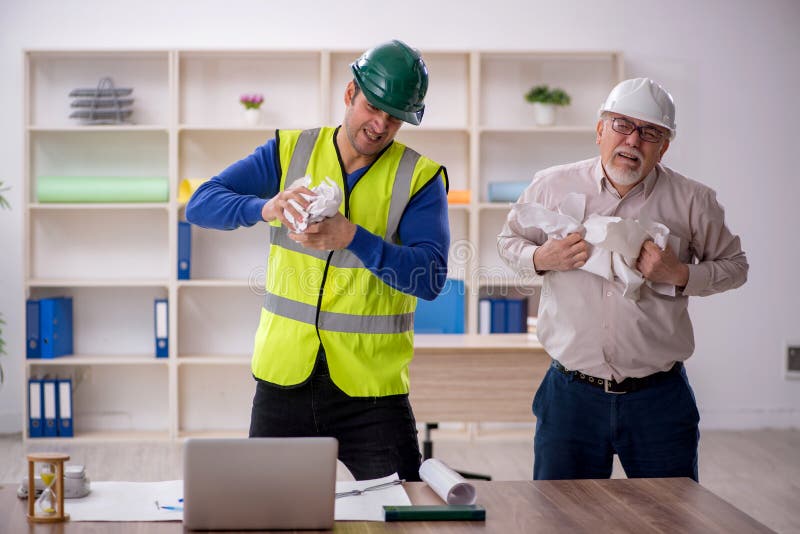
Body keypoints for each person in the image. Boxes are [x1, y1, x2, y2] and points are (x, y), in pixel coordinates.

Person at [186, 40, 450, 481]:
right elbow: (201, 203)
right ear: (349, 93)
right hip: (284, 377)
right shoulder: (290, 151)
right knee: (268, 508)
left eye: (394, 117)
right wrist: (266, 207)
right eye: (372, 107)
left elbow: (430, 278)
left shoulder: (419, 178)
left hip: (372, 392)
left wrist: (353, 237)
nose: (380, 125)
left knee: (399, 509)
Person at [497, 78, 748, 481]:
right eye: (622, 125)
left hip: (659, 400)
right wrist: (541, 257)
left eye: (650, 132)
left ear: (664, 147)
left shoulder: (694, 201)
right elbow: (508, 241)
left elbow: (735, 266)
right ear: (600, 130)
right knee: (560, 512)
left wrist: (680, 273)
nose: (633, 140)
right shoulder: (551, 186)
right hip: (570, 397)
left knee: (668, 513)